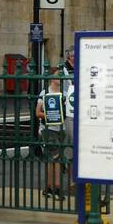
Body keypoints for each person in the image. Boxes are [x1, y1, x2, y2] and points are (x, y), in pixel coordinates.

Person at [36, 68, 74, 199]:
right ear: (51, 78)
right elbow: (38, 113)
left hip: (60, 129)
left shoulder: (65, 93)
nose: (60, 78)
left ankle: (48, 187)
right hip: (48, 129)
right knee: (56, 157)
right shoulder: (45, 92)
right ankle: (56, 188)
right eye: (58, 75)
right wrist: (52, 116)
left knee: (52, 159)